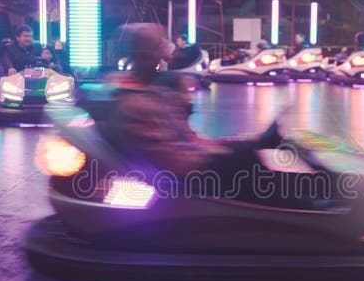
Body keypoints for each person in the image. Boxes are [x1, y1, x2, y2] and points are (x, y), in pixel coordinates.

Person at [102, 24, 280, 179]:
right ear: (147, 56)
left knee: (248, 153)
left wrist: (234, 143)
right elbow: (173, 159)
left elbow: (187, 138)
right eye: (160, 48)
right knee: (246, 162)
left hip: (190, 159)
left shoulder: (155, 92)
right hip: (180, 179)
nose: (166, 55)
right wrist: (216, 153)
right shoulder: (135, 103)